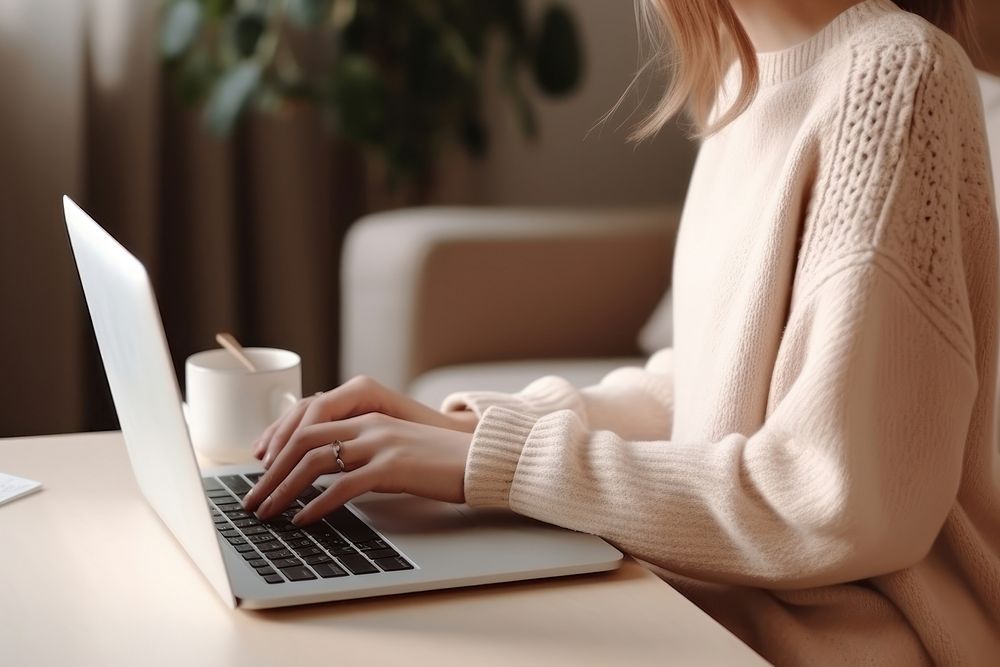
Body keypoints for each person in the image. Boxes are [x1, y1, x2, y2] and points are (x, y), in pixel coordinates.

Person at [241, 0, 1000, 662]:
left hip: (840, 637)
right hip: (719, 597)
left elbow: (840, 503)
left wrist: (499, 463)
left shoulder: (897, 73)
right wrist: (469, 431)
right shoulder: (749, 80)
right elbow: (700, 388)